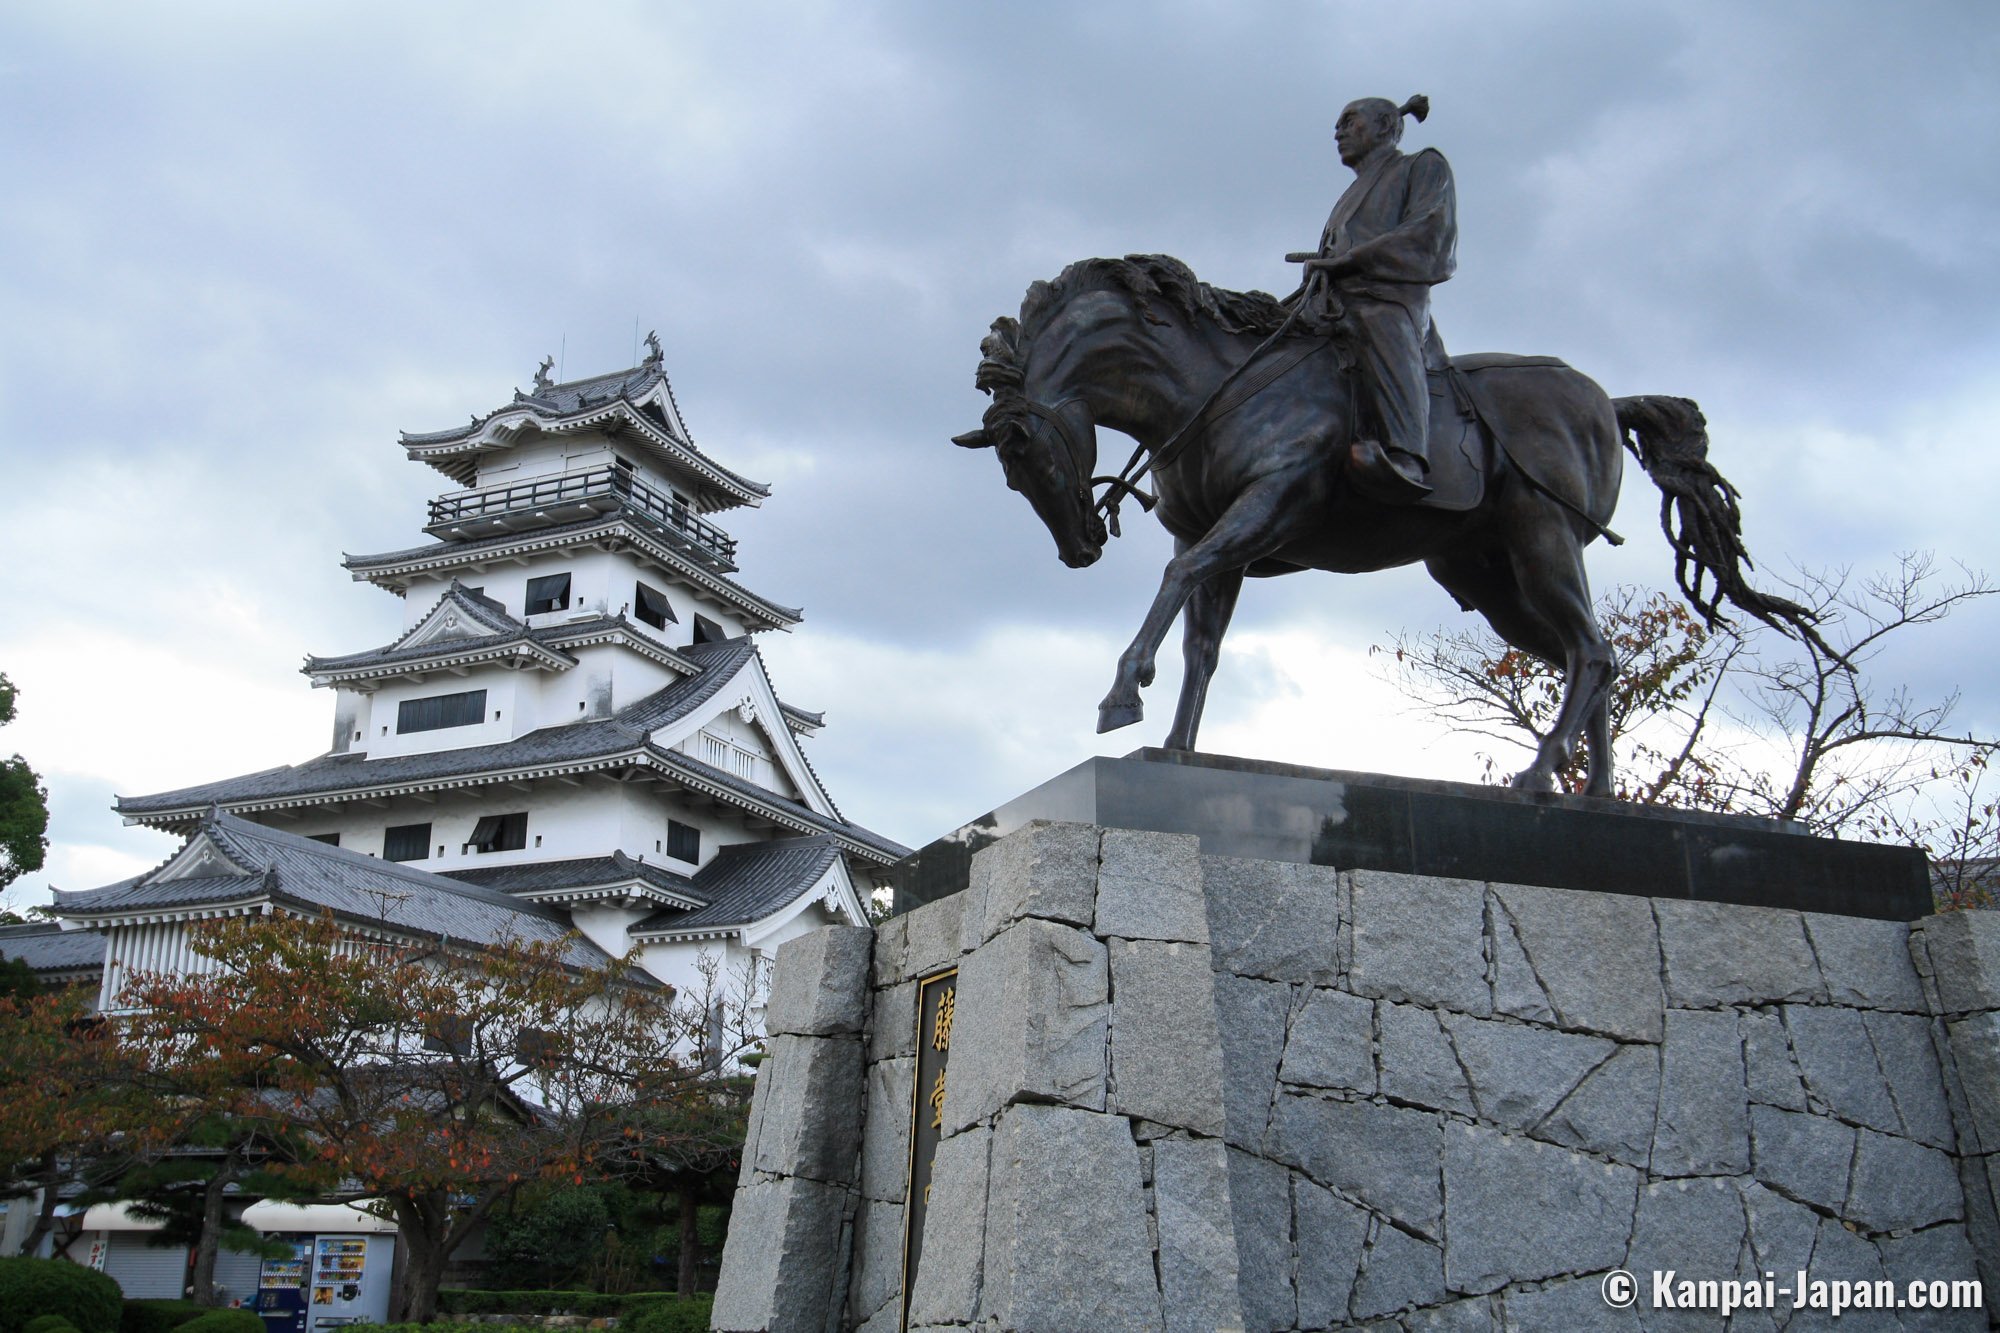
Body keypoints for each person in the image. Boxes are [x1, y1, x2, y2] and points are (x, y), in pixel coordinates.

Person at [1295, 94, 1457, 503]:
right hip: (1330, 303)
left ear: (1385, 126)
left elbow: (1430, 232)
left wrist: (1353, 259)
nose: (1338, 132)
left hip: (1389, 300)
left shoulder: (1422, 165)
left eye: (1350, 121)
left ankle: (1406, 453)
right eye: (1338, 124)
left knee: (1377, 324)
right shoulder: (1349, 196)